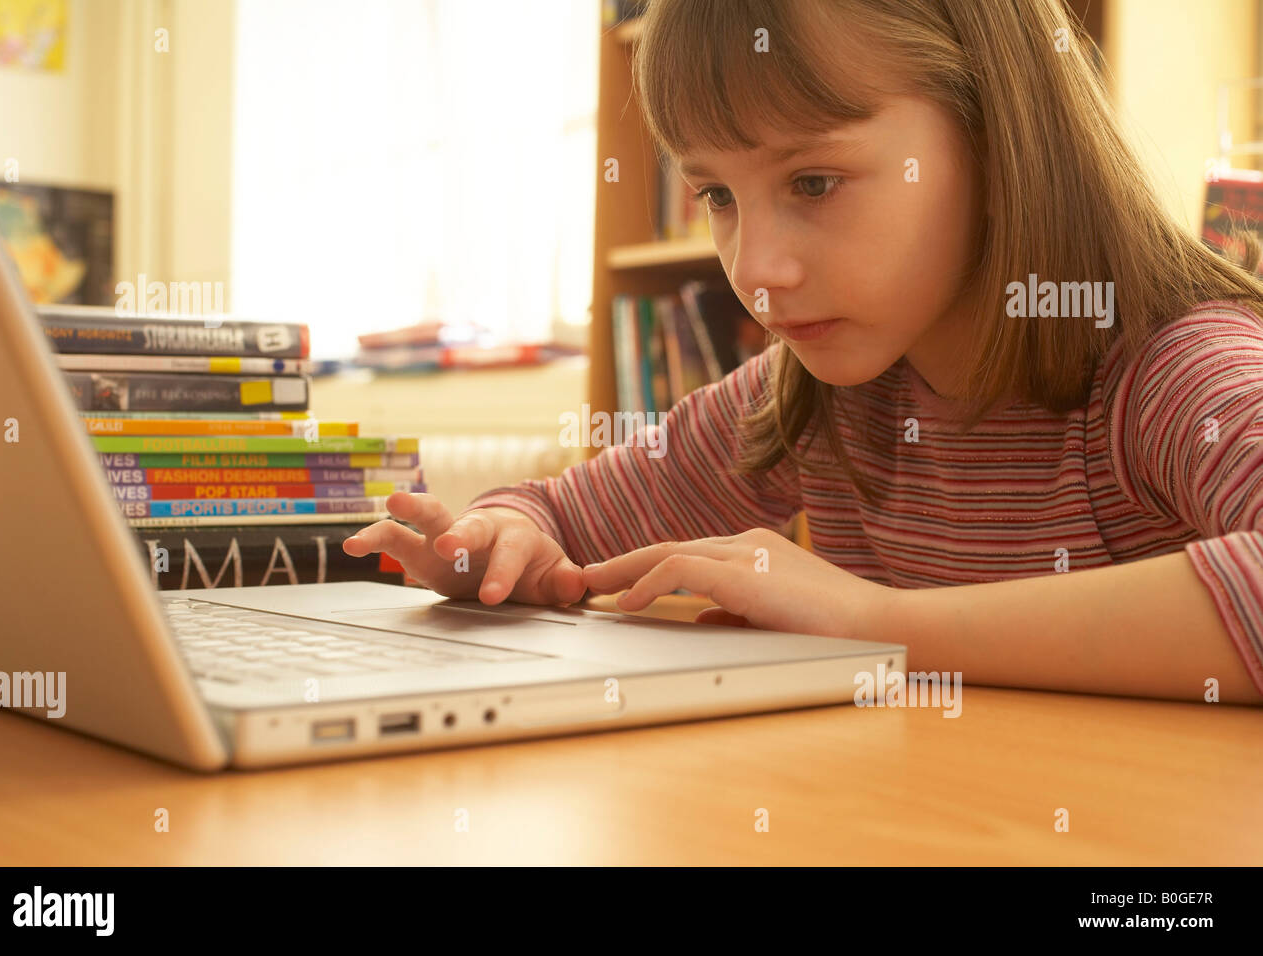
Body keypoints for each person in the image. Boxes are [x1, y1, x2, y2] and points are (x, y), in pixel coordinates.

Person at [345, 0, 1263, 704]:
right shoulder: (810, 396)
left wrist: (875, 622)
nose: (757, 271)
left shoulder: (1174, 368)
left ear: (996, 135)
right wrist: (503, 540)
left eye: (814, 181)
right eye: (717, 195)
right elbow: (559, 512)